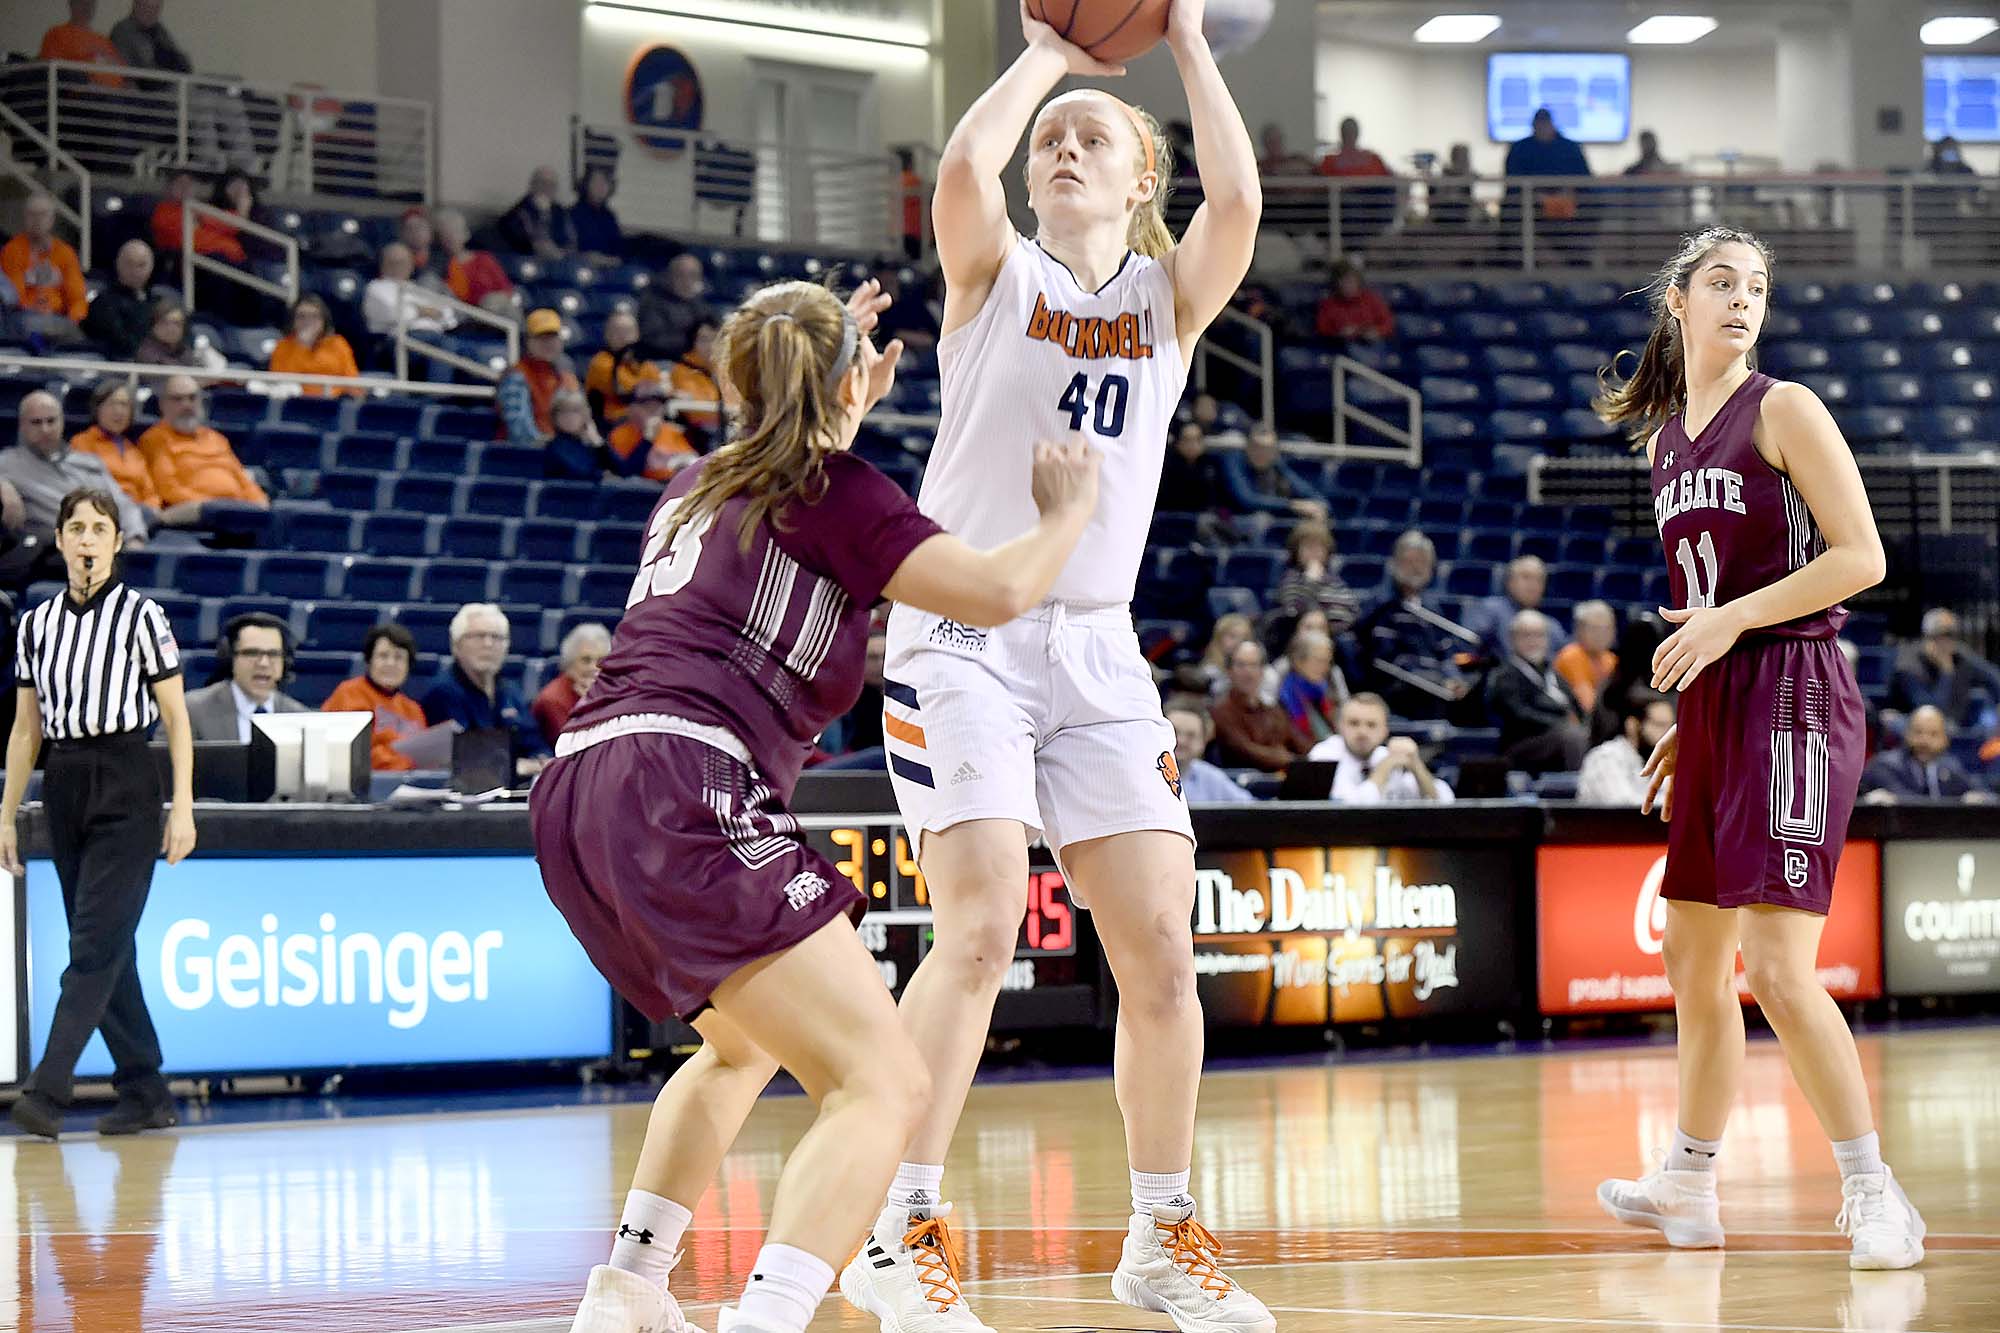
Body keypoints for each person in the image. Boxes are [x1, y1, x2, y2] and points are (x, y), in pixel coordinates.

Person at [537, 276, 1100, 1333]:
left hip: (578, 784)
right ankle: (770, 1315)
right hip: (684, 779)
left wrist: (827, 371)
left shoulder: (691, 484)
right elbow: (994, 592)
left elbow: (793, 478)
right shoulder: (836, 491)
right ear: (844, 380)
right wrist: (1066, 514)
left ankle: (627, 1287)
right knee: (885, 1082)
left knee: (742, 1045)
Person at [855, 4, 1275, 1329]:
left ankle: (1160, 1232)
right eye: (1053, 144)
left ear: (1142, 176)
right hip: (961, 631)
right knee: (979, 926)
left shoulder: (1167, 299)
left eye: (1092, 139)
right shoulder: (996, 280)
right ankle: (899, 1226)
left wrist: (1189, 44)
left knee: (1158, 946)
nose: (1063, 152)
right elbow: (966, 173)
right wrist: (1052, 55)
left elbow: (1243, 201)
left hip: (1096, 645)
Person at [1593, 226, 1924, 1268]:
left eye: (1757, 288)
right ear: (1678, 304)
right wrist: (1690, 724)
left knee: (1777, 968)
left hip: (1791, 694)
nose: (1742, 300)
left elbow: (1859, 556)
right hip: (1717, 708)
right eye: (1722, 283)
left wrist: (1730, 623)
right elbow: (1700, 605)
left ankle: (1875, 1194)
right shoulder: (1661, 445)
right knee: (1690, 961)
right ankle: (1687, 1182)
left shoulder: (1782, 408)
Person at [2, 486, 194, 1140]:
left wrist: (183, 807)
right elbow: (26, 730)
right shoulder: (35, 624)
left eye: (99, 528)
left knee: (91, 942)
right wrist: (7, 814)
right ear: (58, 539)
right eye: (76, 527)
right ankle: (145, 1086)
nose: (87, 538)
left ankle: (48, 1088)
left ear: (117, 541)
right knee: (111, 945)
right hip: (63, 778)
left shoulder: (143, 616)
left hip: (128, 778)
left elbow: (176, 718)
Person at [0, 392, 148, 549]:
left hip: (107, 548)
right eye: (36, 422)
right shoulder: (8, 463)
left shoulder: (89, 462)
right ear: (22, 426)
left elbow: (123, 505)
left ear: (62, 423)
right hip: (54, 551)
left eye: (51, 421)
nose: (45, 429)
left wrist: (135, 538)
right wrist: (3, 485)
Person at [418, 603, 548, 778]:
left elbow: (536, 744)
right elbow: (466, 756)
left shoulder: (511, 691)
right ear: (456, 645)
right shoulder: (443, 693)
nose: (488, 644)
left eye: (496, 637)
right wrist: (517, 765)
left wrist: (539, 760)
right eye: (478, 636)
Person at [1355, 529, 1474, 719]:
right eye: (1410, 561)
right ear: (1395, 563)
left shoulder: (1431, 607)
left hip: (1432, 685)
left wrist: (1454, 678)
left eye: (1422, 562)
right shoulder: (1381, 604)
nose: (1416, 568)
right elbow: (1388, 659)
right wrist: (1436, 679)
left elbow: (1445, 653)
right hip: (1397, 687)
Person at [137, 375, 269, 512]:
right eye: (178, 399)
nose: (186, 405)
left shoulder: (216, 438)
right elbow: (168, 489)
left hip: (235, 509)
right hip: (195, 511)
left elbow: (243, 481)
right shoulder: (155, 439)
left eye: (192, 398)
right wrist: (209, 506)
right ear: (163, 405)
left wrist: (260, 503)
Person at [1487, 608, 1588, 774]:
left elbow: (1576, 706)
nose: (1533, 641)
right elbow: (1519, 714)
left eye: (1539, 635)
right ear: (1512, 639)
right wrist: (1559, 723)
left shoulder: (1552, 673)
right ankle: (1578, 788)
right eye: (1526, 635)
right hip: (1523, 743)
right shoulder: (1505, 675)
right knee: (1572, 736)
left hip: (1560, 736)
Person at [1306, 691, 1453, 803]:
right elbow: (1348, 810)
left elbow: (1445, 802)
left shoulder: (1385, 755)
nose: (1362, 732)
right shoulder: (1324, 754)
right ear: (1340, 726)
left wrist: (1416, 766)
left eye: (1371, 725)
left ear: (1384, 731)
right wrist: (1383, 770)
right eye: (1354, 723)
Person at [182, 612, 308, 741]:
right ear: (230, 658)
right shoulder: (192, 710)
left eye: (273, 654)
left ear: (285, 661)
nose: (263, 663)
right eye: (252, 653)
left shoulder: (301, 718)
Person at [320, 622, 427, 772]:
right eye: (383, 656)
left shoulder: (414, 710)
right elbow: (358, 755)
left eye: (399, 658)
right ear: (369, 661)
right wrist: (408, 764)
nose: (391, 663)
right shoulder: (350, 693)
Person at [1886, 607, 2000, 729]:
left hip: (1955, 724)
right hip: (1916, 727)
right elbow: (1932, 712)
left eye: (1951, 636)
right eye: (1939, 636)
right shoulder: (1908, 665)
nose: (1946, 642)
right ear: (1926, 637)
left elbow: (1994, 676)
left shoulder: (1960, 655)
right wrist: (1946, 672)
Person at [69, 381, 163, 524]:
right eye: (112, 404)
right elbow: (86, 489)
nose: (118, 411)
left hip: (141, 515)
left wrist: (151, 508)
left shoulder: (134, 450)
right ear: (97, 409)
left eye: (124, 405)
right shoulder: (82, 443)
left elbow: (150, 493)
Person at [1859, 705, 1990, 803]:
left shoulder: (1950, 766)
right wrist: (1958, 802)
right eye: (1918, 732)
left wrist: (1976, 797)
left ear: (1945, 740)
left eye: (1933, 734)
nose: (1924, 741)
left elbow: (1985, 794)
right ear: (1907, 734)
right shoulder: (1885, 765)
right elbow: (1910, 804)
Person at [2, 192, 88, 338]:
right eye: (32, 214)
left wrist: (74, 318)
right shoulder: (12, 250)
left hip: (60, 318)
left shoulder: (65, 253)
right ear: (25, 217)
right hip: (23, 318)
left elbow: (77, 297)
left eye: (42, 214)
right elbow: (13, 297)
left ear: (52, 219)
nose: (37, 220)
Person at [1212, 639, 1306, 772]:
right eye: (1241, 665)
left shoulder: (1274, 710)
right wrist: (1290, 760)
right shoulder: (1221, 712)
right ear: (1229, 671)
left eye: (1253, 665)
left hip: (1282, 778)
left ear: (1262, 671)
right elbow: (1245, 750)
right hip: (1249, 784)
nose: (1248, 672)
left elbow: (1298, 742)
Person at [1577, 687, 1675, 806]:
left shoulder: (1660, 760)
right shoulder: (1605, 758)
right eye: (1659, 725)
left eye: (1669, 728)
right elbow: (1625, 808)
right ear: (1632, 725)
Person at [499, 309, 582, 447]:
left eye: (553, 337)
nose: (548, 343)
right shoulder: (516, 376)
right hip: (526, 456)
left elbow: (582, 422)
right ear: (528, 341)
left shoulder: (567, 377)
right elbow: (520, 431)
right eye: (541, 338)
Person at [1222, 423, 1327, 524]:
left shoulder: (1276, 463)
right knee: (1260, 520)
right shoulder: (1234, 459)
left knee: (1314, 521)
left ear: (1274, 451)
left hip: (1267, 518)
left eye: (1267, 449)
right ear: (1247, 447)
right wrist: (1292, 505)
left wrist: (1318, 506)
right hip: (1229, 517)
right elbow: (1247, 499)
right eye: (1257, 447)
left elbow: (1308, 491)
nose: (1262, 453)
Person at [1272, 520, 1359, 637]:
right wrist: (1311, 582)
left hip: (1340, 639)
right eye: (1308, 547)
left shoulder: (1336, 581)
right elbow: (1292, 614)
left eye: (1319, 547)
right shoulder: (1291, 578)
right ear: (1296, 551)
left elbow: (1353, 612)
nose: (1314, 552)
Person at [1468, 555, 1566, 657]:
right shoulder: (1489, 610)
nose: (1533, 585)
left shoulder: (1552, 626)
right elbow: (1469, 651)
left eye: (1539, 580)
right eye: (1526, 577)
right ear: (1510, 582)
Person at [531, 622, 609, 747]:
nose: (595, 668)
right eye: (586, 660)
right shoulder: (552, 699)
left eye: (601, 660)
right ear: (569, 663)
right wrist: (591, 703)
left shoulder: (610, 690)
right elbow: (575, 747)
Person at [268, 295, 362, 395]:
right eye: (301, 316)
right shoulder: (282, 347)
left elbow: (353, 383)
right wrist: (302, 346)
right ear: (293, 321)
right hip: (295, 404)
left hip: (334, 403)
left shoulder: (338, 344)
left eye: (314, 316)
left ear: (324, 320)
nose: (307, 321)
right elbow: (280, 384)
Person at [150, 168, 246, 265]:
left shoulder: (197, 209)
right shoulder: (162, 213)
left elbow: (231, 225)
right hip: (200, 262)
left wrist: (242, 209)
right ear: (169, 187)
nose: (185, 188)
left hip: (231, 257)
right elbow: (180, 241)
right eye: (180, 184)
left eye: (189, 184)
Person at [364, 241, 456, 341]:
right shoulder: (376, 288)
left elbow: (448, 315)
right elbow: (393, 313)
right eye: (394, 262)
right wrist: (421, 311)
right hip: (401, 340)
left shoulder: (416, 287)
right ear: (383, 265)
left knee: (469, 350)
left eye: (404, 262)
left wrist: (421, 311)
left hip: (436, 336)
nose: (399, 267)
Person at [1163, 701, 1253, 802]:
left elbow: (1252, 808)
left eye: (1191, 735)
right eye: (1174, 732)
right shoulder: (1143, 774)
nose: (1181, 741)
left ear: (1203, 742)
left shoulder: (1212, 778)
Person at [583, 309, 661, 426]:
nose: (623, 337)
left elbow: (658, 394)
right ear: (607, 335)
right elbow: (628, 393)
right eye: (617, 331)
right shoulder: (601, 363)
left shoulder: (647, 366)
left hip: (648, 421)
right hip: (614, 423)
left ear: (637, 335)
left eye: (628, 331)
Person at [606, 381, 696, 481]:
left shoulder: (672, 431)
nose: (654, 410)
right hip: (644, 492)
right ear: (632, 408)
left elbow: (693, 463)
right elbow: (627, 474)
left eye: (658, 405)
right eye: (647, 406)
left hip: (675, 487)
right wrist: (647, 441)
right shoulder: (619, 435)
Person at [81, 239, 157, 357]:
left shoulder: (159, 303)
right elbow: (122, 344)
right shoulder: (103, 304)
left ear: (151, 267)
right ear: (118, 264)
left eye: (141, 265)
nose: (135, 271)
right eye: (129, 263)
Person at [434, 207, 517, 315]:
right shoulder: (440, 267)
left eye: (455, 232)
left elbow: (506, 290)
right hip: (464, 316)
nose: (451, 238)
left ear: (465, 234)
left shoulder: (484, 259)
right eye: (445, 234)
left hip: (496, 310)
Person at [636, 253, 712, 363]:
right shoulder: (653, 302)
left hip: (696, 365)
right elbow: (653, 341)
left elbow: (714, 331)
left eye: (693, 275)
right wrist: (691, 339)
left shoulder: (700, 305)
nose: (687, 281)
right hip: (663, 364)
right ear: (670, 276)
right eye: (680, 275)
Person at [1276, 628, 1343, 746]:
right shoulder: (1284, 697)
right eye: (1319, 661)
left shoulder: (1324, 689)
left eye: (1328, 661)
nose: (1326, 668)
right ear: (1298, 661)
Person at [37, 0, 126, 85]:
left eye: (91, 2)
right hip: (80, 94)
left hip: (114, 94)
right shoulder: (57, 34)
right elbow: (52, 71)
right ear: (71, 4)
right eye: (82, 2)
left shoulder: (104, 41)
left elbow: (123, 72)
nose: (87, 6)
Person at [1555, 599, 1619, 715]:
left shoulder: (1611, 659)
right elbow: (1588, 705)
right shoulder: (1571, 656)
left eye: (1607, 628)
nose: (1601, 635)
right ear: (1578, 630)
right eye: (1595, 629)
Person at [668, 317, 724, 450]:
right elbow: (695, 414)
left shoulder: (731, 370)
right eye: (704, 340)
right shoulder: (683, 370)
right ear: (693, 343)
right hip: (699, 435)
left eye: (715, 339)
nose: (711, 345)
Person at [499, 165, 576, 260]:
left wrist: (560, 253)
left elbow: (571, 241)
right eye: (542, 183)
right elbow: (519, 240)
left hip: (561, 263)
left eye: (551, 185)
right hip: (529, 262)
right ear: (532, 185)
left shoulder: (561, 213)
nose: (547, 188)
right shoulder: (518, 212)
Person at [1314, 262, 1393, 343]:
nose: (1348, 286)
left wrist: (1377, 331)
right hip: (1339, 346)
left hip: (1371, 344)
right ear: (1336, 284)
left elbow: (1388, 323)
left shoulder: (1372, 299)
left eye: (1351, 281)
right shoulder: (1328, 304)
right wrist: (1338, 333)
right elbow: (1322, 328)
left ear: (1358, 282)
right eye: (1344, 282)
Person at [132, 298, 221, 371]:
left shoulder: (185, 350)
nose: (171, 329)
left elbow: (219, 367)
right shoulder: (147, 353)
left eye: (177, 323)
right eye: (165, 323)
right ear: (153, 326)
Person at [1155, 421, 1223, 513]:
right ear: (1177, 442)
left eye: (1197, 440)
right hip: (1168, 518)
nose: (1192, 445)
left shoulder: (1211, 466)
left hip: (1202, 519)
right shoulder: (1165, 467)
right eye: (1187, 440)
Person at [1506, 107, 1591, 179]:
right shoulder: (1519, 149)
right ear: (1534, 126)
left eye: (1545, 123)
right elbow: (1514, 183)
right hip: (1528, 196)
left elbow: (1584, 179)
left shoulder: (1570, 149)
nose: (1543, 128)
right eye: (1540, 124)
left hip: (1568, 196)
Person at [544, 388, 607, 482]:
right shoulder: (554, 447)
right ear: (555, 417)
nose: (570, 417)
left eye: (575, 411)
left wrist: (597, 441)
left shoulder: (591, 443)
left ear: (585, 415)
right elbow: (583, 474)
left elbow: (619, 469)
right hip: (567, 494)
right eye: (563, 412)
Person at [569, 166, 624, 263]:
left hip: (608, 269)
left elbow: (617, 248)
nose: (600, 187)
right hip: (579, 268)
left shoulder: (610, 217)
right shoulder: (572, 214)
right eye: (596, 182)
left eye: (605, 182)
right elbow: (566, 250)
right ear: (586, 185)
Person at [1317, 116, 1390, 177]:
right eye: (1347, 131)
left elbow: (1391, 181)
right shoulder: (1330, 161)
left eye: (1351, 131)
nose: (1349, 135)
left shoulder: (1373, 159)